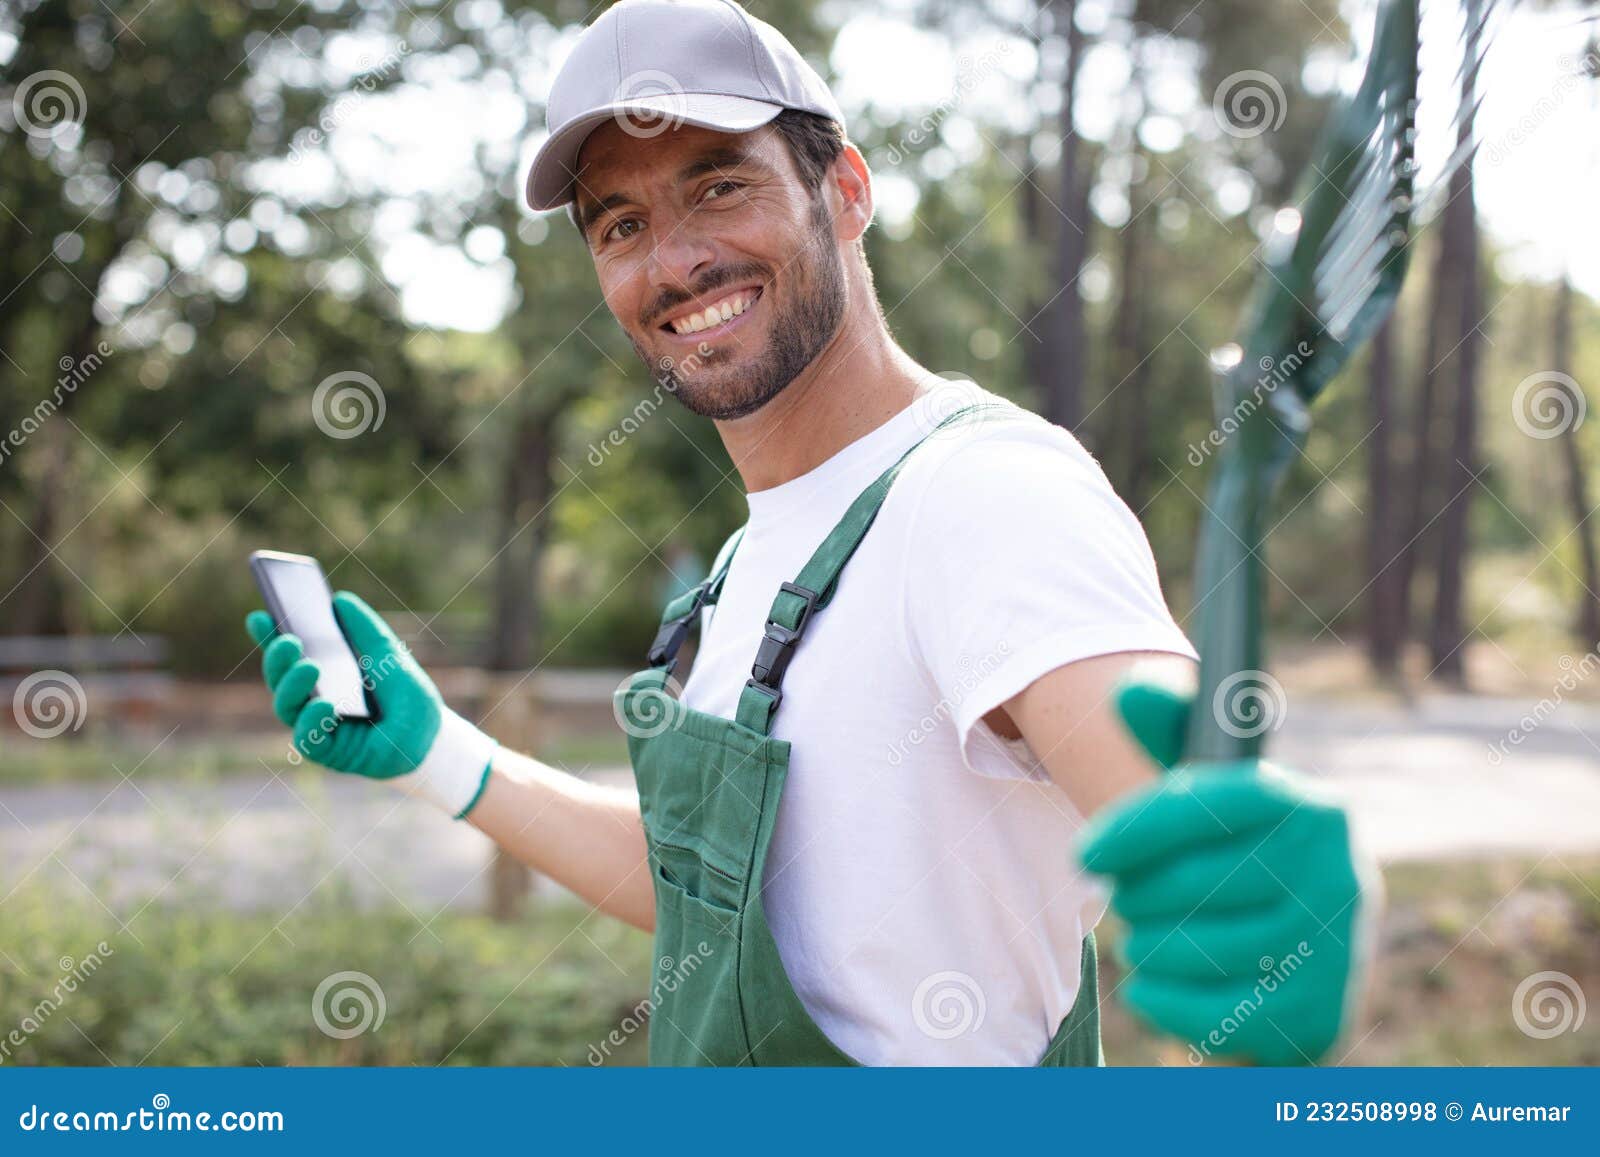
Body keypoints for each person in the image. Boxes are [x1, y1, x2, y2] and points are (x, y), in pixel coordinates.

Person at [245, 0, 1370, 1066]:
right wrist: (439, 750)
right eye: (622, 224)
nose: (673, 261)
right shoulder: (751, 560)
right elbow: (718, 899)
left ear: (844, 190)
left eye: (718, 186)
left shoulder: (981, 491)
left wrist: (1256, 888)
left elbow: (1169, 793)